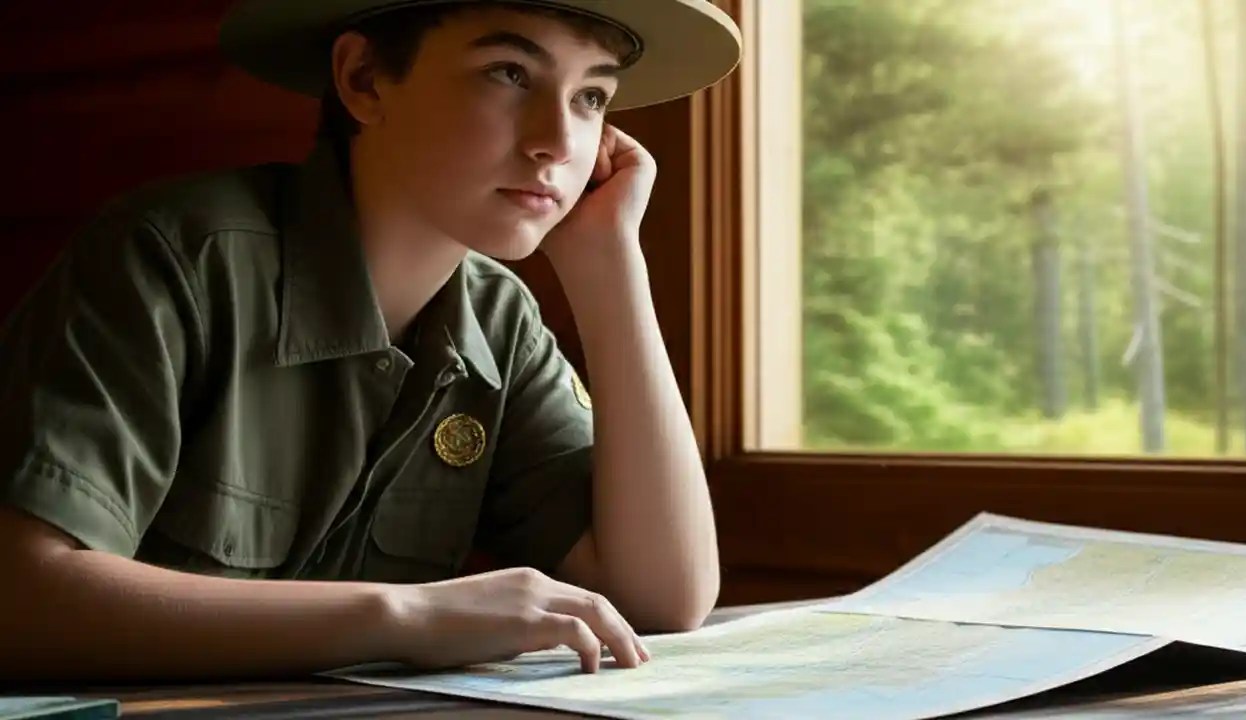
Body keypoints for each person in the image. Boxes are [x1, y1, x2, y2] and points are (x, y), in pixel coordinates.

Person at [0, 0, 741, 681]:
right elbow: (22, 596)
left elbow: (664, 597)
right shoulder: (177, 260)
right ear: (364, 81)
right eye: (510, 73)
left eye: (591, 98)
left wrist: (611, 267)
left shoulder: (497, 321)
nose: (558, 141)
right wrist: (403, 616)